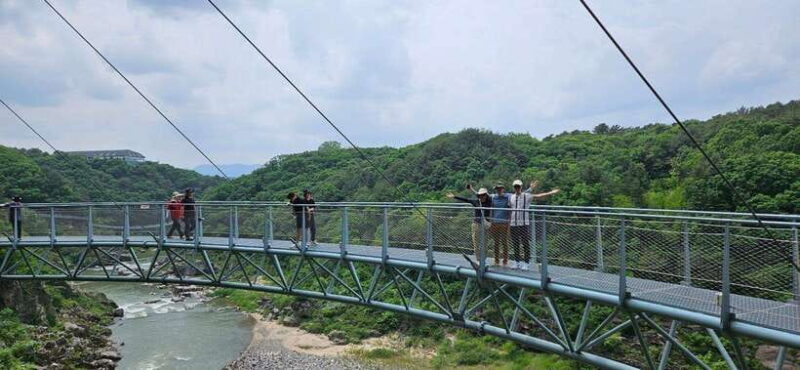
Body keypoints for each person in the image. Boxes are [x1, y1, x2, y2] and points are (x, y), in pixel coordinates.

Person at [509, 180, 560, 269]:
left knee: (525, 243)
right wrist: (531, 188)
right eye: (515, 187)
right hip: (513, 223)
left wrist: (551, 192)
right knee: (515, 243)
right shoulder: (511, 197)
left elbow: (539, 196)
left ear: (521, 187)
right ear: (514, 188)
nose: (517, 188)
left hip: (524, 223)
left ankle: (526, 263)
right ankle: (516, 262)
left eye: (518, 186)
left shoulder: (526, 196)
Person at [468, 183, 510, 266]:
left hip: (503, 223)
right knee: (495, 243)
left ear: (503, 189)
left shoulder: (507, 196)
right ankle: (495, 260)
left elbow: (518, 195)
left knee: (503, 242)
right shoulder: (493, 197)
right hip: (493, 223)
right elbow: (479, 195)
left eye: (500, 188)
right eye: (497, 189)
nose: (498, 190)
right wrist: (472, 189)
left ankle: (505, 261)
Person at [447, 187, 492, 262]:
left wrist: (472, 189)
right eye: (480, 195)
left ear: (486, 195)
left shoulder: (489, 202)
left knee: (484, 244)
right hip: (476, 224)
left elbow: (491, 197)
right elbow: (466, 199)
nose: (482, 196)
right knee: (476, 243)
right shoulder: (476, 202)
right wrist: (454, 196)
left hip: (485, 225)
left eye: (484, 195)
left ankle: (483, 260)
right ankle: (478, 260)